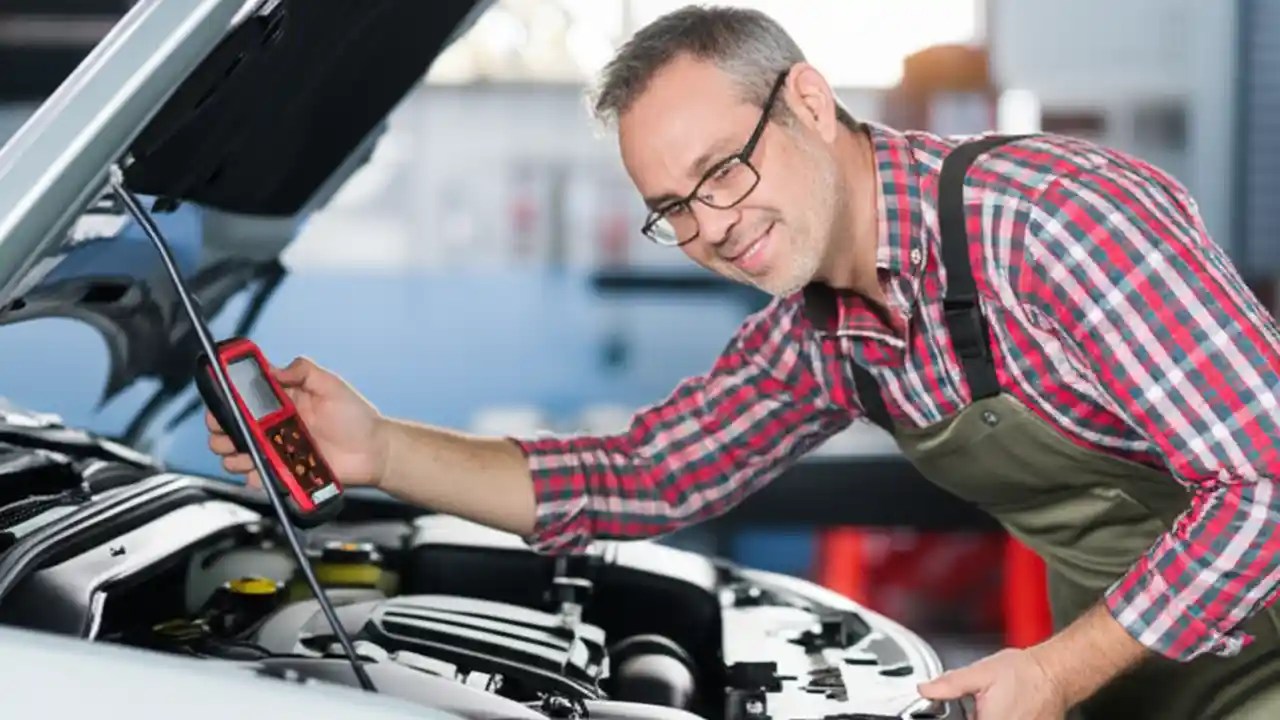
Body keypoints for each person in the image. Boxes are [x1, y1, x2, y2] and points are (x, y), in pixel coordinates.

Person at [207, 6, 1280, 719]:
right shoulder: (820, 329)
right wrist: (382, 447)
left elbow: (1262, 483)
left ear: (809, 104)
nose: (710, 225)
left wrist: (1053, 668)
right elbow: (640, 475)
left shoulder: (1052, 222)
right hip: (1137, 682)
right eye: (671, 208)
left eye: (721, 171)